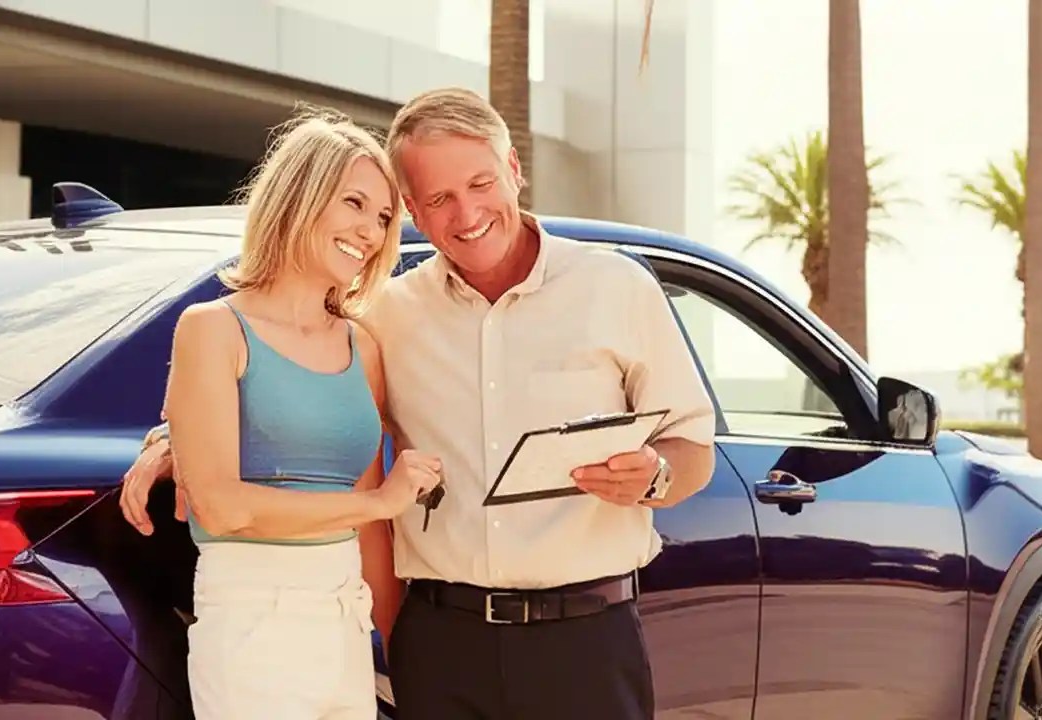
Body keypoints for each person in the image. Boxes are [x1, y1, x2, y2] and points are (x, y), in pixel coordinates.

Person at [121, 87, 717, 720]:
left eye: (481, 183)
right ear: (416, 213)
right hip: (441, 643)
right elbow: (282, 382)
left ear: (513, 170)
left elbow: (692, 449)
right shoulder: (385, 317)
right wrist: (169, 443)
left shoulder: (617, 287)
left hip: (587, 640)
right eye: (438, 199)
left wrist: (657, 475)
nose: (466, 214)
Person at [127, 106, 444, 719]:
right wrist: (377, 504)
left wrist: (400, 651)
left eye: (382, 217)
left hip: (342, 615)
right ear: (299, 195)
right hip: (251, 619)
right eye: (353, 204)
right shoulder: (214, 329)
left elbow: (371, 522)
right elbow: (222, 505)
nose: (372, 232)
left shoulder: (364, 347)